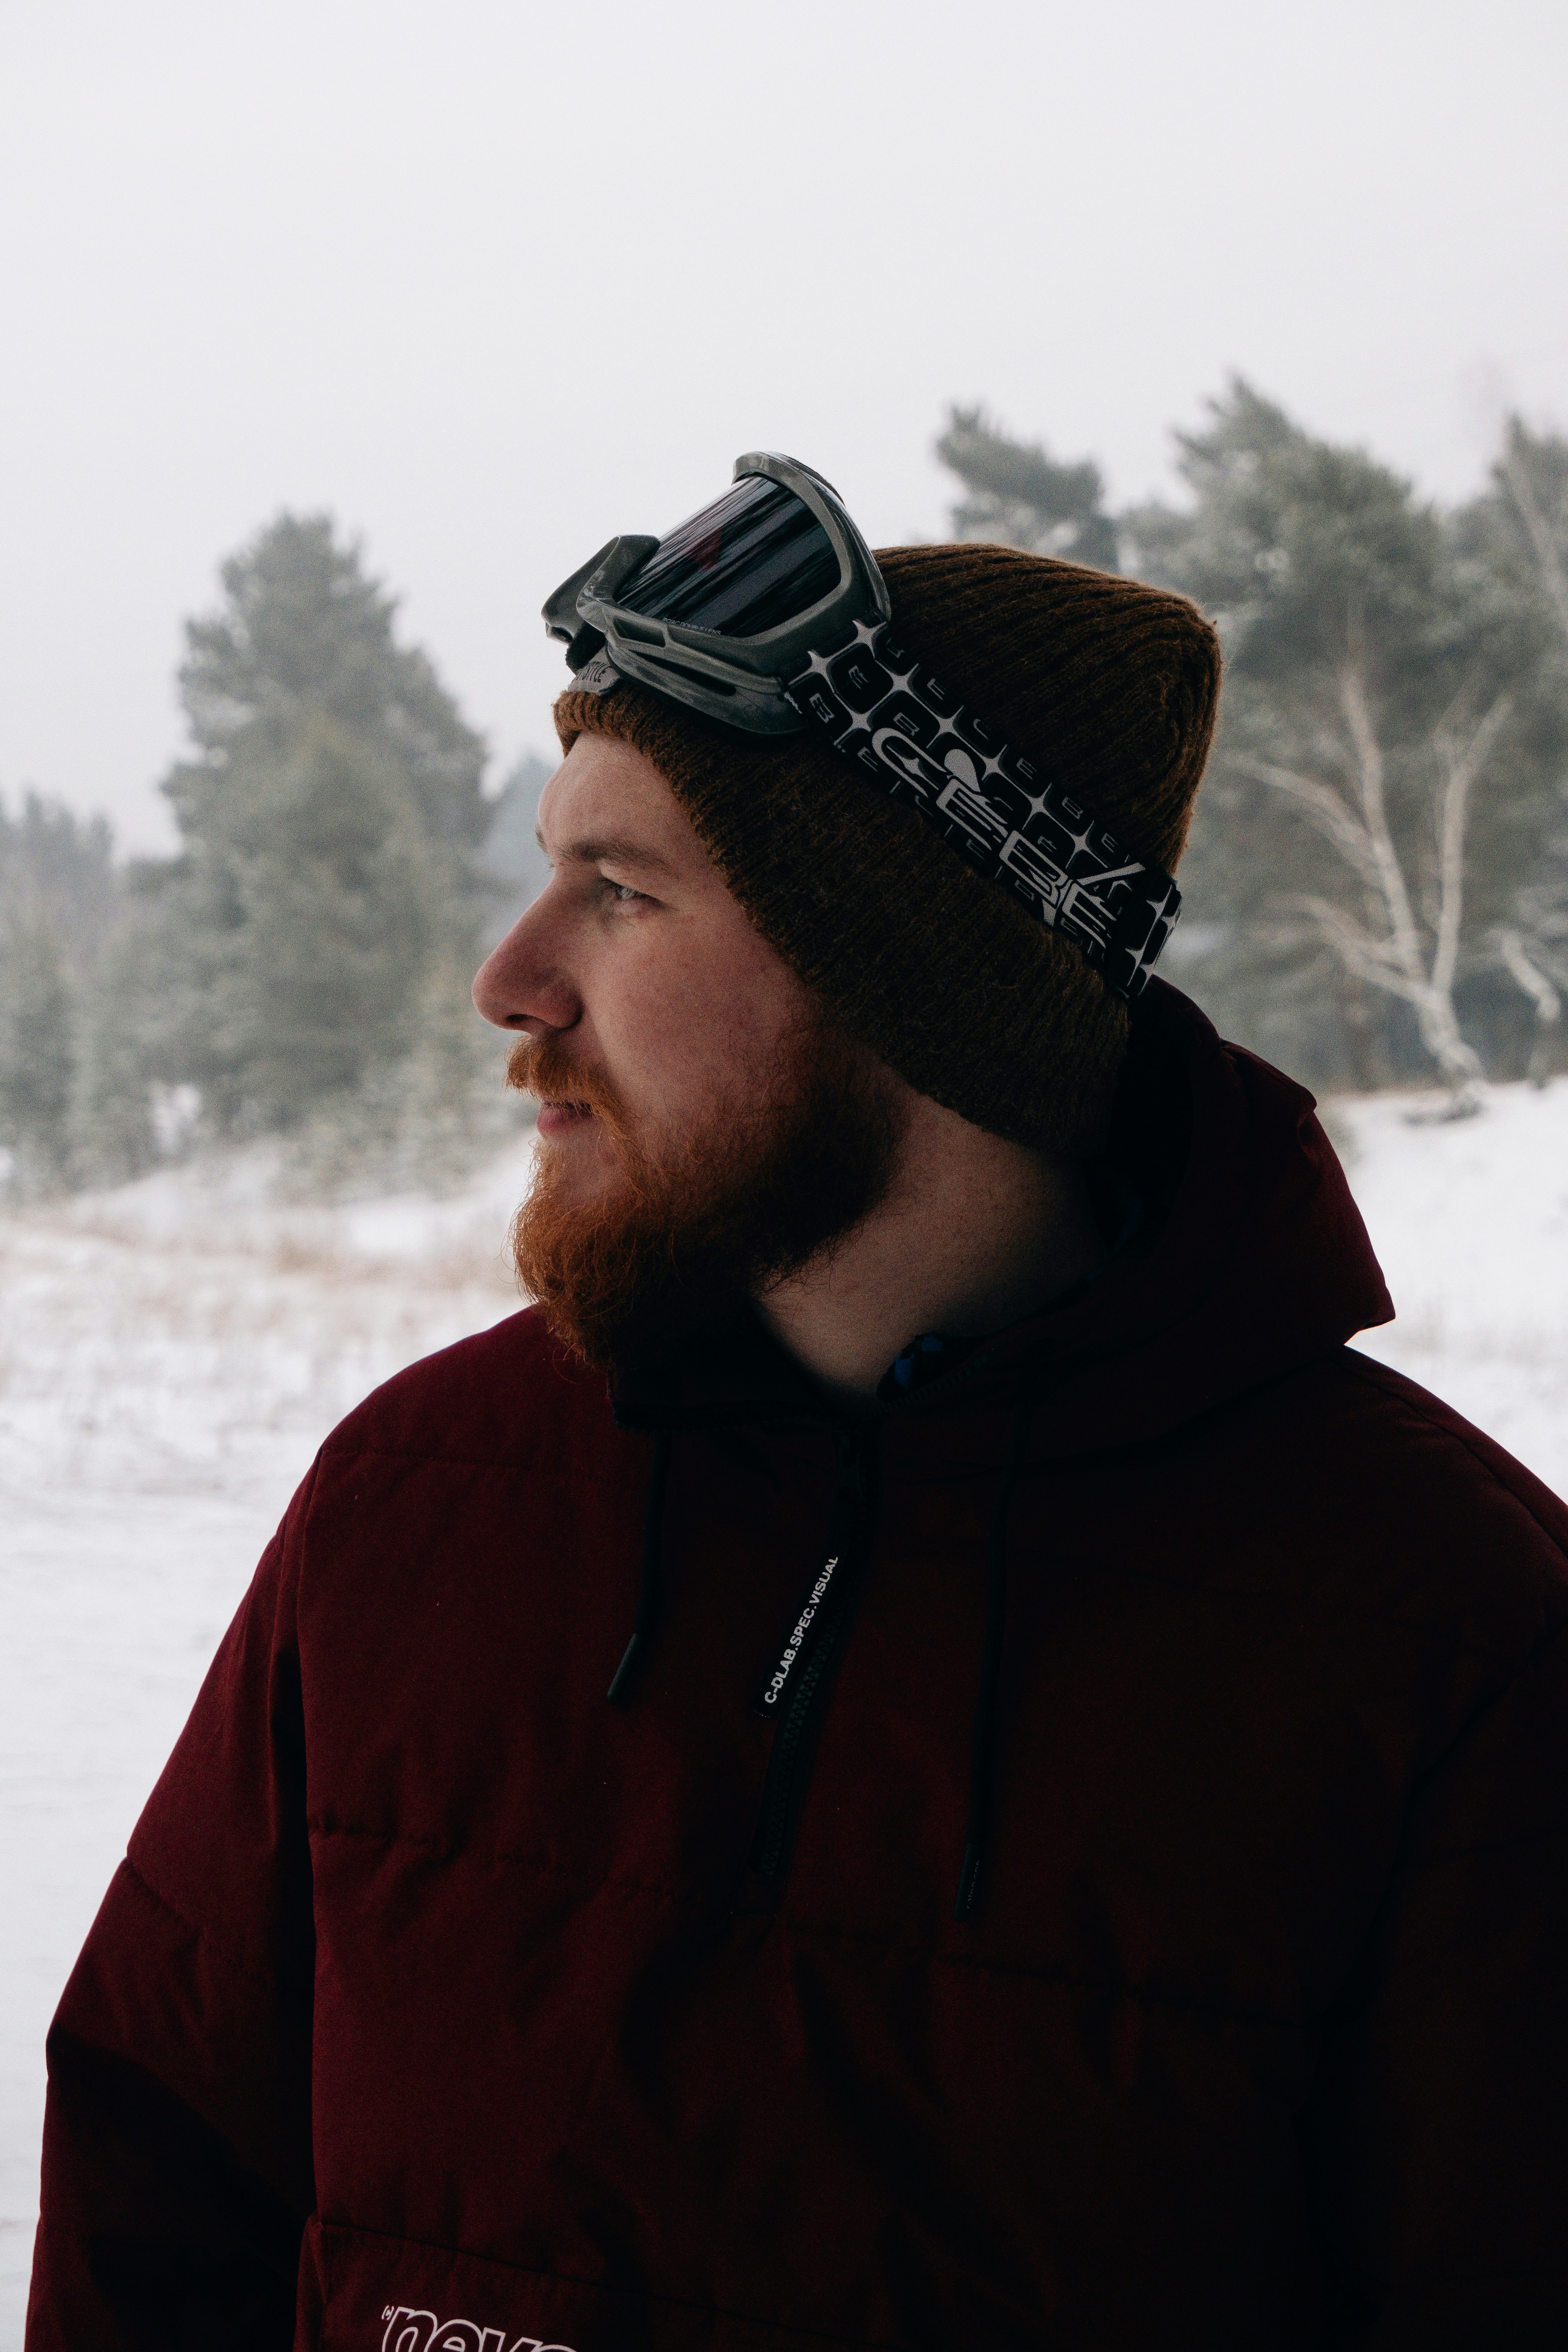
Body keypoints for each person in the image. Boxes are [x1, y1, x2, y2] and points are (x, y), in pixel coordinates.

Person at [27, 458, 1568, 2352]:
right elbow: (157, 2188)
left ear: (909, 981)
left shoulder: (1453, 1640)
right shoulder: (413, 1500)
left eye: (619, 891)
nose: (508, 980)